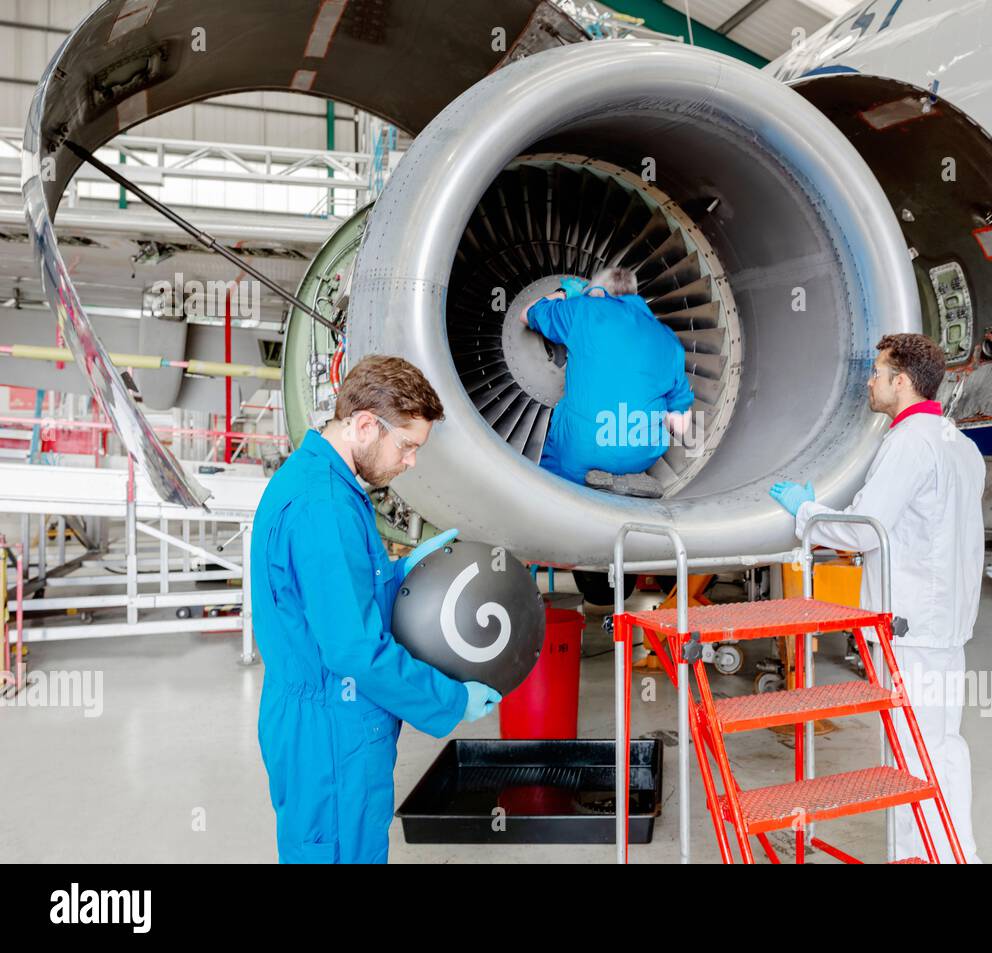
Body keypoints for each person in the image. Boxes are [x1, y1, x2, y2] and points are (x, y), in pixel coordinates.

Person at [251, 354, 500, 864]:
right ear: (366, 425)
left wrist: (403, 571)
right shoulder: (325, 506)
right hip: (333, 732)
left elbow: (337, 597)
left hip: (319, 721)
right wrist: (451, 700)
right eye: (407, 445)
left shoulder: (319, 480)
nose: (410, 462)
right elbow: (354, 650)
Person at [769, 333, 985, 864]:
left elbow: (866, 530)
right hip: (947, 625)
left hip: (911, 627)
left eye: (877, 373)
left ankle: (916, 857)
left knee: (910, 753)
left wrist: (806, 512)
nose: (869, 382)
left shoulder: (909, 442)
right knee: (943, 747)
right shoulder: (960, 443)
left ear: (901, 382)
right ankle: (956, 854)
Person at [522, 266, 693, 494]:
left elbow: (527, 313)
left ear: (598, 291)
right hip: (642, 455)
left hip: (580, 450)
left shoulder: (584, 309)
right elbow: (680, 424)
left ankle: (572, 482)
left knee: (547, 485)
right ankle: (623, 475)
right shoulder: (669, 340)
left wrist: (564, 293)